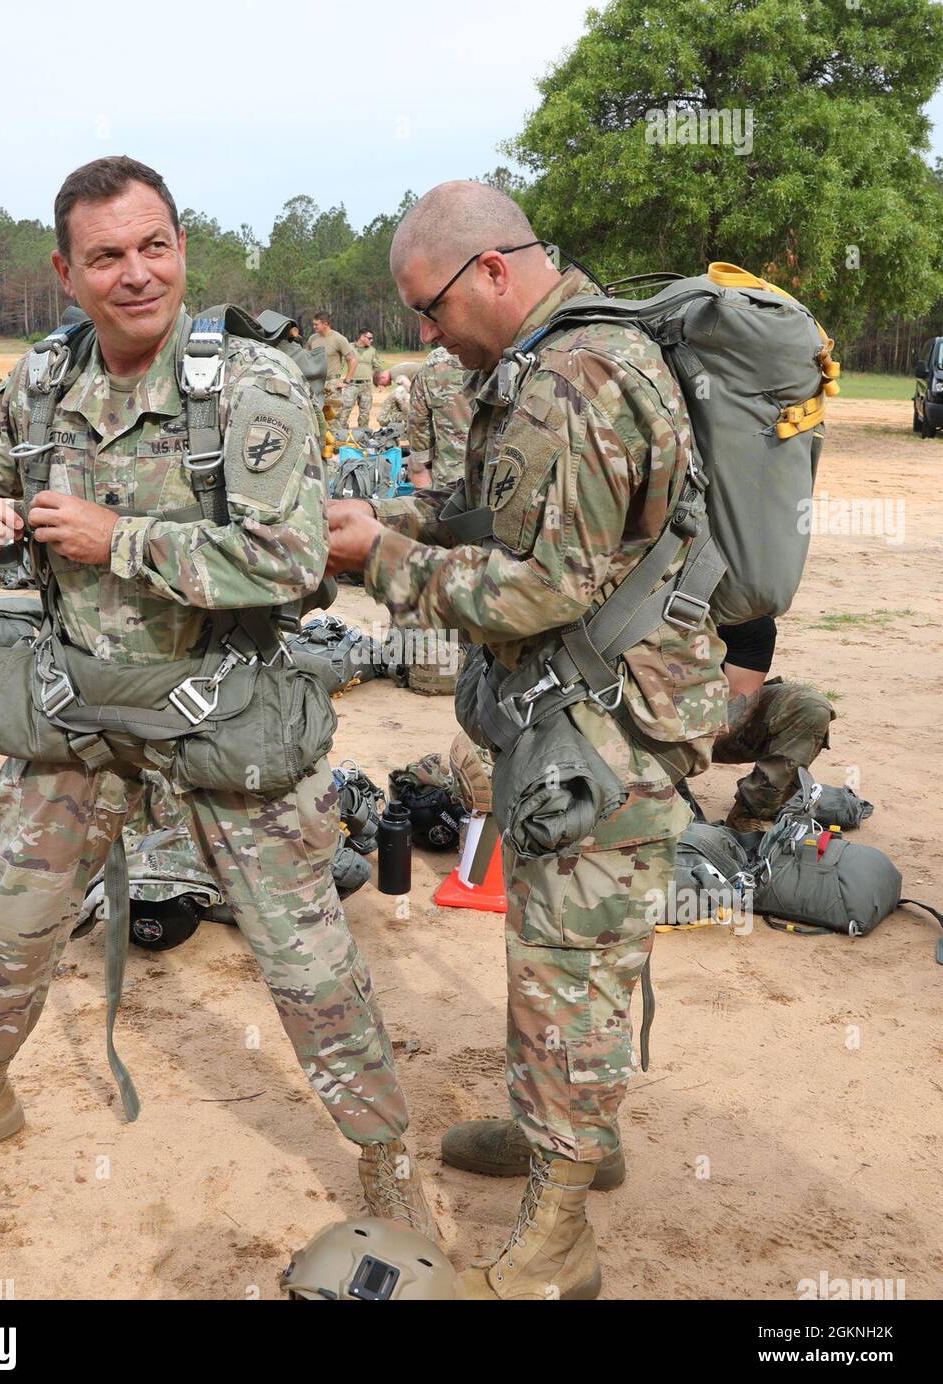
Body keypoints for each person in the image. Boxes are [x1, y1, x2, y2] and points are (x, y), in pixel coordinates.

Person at [0, 156, 437, 1244]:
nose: (138, 274)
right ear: (66, 272)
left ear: (180, 247)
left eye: (155, 246)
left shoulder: (251, 387)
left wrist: (115, 539)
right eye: (108, 256)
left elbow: (290, 561)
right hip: (79, 713)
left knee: (308, 961)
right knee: (9, 932)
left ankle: (382, 1154)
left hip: (221, 718)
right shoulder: (36, 385)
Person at [327, 180, 727, 1299]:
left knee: (565, 967)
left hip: (607, 730)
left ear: (492, 272)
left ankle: (558, 1230)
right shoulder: (555, 363)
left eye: (430, 308)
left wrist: (380, 564)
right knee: (580, 956)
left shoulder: (573, 377)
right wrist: (392, 524)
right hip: (599, 716)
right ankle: (569, 1138)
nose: (423, 333)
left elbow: (539, 586)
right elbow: (508, 522)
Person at [712, 617, 835, 831]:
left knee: (809, 709)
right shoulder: (645, 605)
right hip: (641, 727)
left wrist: (687, 748)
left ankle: (751, 813)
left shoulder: (750, 618)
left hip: (704, 726)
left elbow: (739, 702)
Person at [406, 344, 473, 490]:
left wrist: (423, 463)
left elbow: (418, 422)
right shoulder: (515, 352)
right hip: (504, 478)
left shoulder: (436, 360)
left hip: (452, 477)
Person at [306, 312, 356, 435]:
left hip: (332, 383)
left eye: (316, 324)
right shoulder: (313, 339)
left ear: (325, 324)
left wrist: (347, 381)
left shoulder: (338, 339)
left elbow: (353, 360)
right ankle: (321, 444)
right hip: (316, 382)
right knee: (316, 414)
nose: (314, 327)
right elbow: (306, 357)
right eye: (313, 324)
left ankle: (337, 445)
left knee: (333, 417)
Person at [339, 329, 382, 431]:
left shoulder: (372, 350)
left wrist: (379, 381)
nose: (371, 340)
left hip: (366, 386)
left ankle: (363, 434)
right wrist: (338, 380)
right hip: (351, 385)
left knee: (365, 413)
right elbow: (340, 364)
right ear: (362, 337)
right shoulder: (349, 347)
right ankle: (341, 434)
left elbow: (377, 367)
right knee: (345, 410)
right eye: (369, 338)